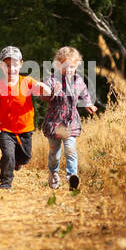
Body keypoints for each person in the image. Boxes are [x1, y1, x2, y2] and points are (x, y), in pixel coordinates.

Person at [0, 46, 50, 190]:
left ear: (21, 64)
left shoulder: (27, 81)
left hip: (25, 128)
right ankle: (5, 182)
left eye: (14, 65)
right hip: (5, 129)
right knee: (8, 155)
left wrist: (45, 87)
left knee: (25, 157)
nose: (11, 69)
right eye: (7, 65)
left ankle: (18, 163)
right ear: (1, 66)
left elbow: (41, 89)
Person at [41, 46, 97, 190]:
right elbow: (44, 97)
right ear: (59, 66)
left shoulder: (79, 81)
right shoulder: (52, 80)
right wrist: (53, 91)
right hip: (54, 122)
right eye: (65, 67)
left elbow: (84, 94)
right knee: (54, 152)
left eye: (72, 67)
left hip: (71, 122)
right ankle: (53, 173)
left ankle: (72, 177)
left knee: (70, 150)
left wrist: (88, 104)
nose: (69, 70)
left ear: (77, 65)